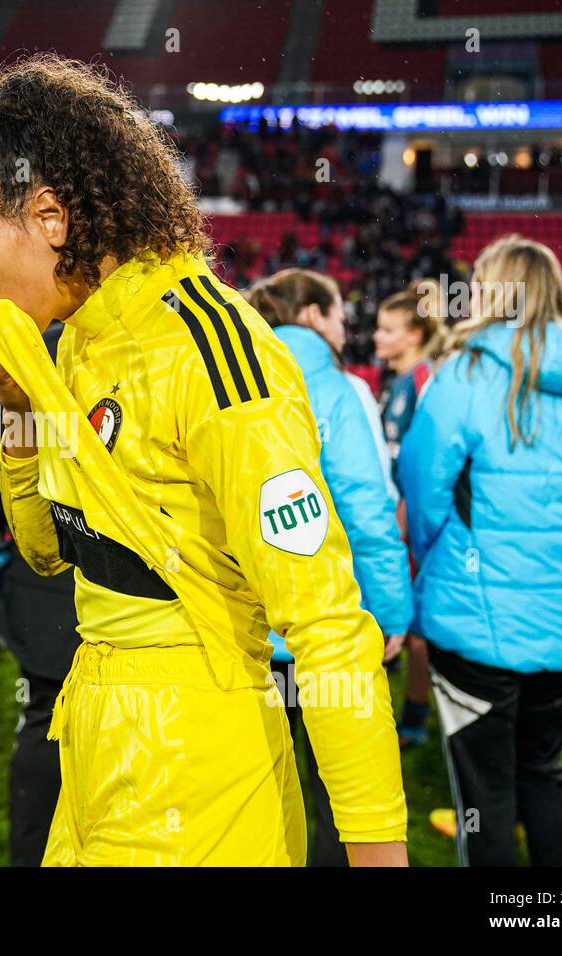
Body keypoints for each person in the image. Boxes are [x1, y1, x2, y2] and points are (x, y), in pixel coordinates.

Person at [0, 54, 407, 866]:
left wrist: (376, 853)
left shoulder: (209, 350)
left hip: (203, 768)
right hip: (99, 743)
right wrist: (19, 413)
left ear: (49, 218)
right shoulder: (74, 341)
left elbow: (325, 624)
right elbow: (44, 551)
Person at [398, 234, 562, 866]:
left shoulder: (465, 372)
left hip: (477, 620)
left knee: (485, 795)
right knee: (544, 774)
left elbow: (422, 486)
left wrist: (441, 553)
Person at [245, 268, 413, 866]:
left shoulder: (223, 372)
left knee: (258, 790)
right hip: (320, 627)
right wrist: (392, 611)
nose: (347, 326)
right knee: (337, 788)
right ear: (313, 314)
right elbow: (367, 510)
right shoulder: (337, 390)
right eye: (340, 312)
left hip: (242, 628)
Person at [0, 321, 82, 866]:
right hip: (100, 576)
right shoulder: (115, 347)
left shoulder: (32, 349)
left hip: (45, 581)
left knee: (43, 719)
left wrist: (8, 523)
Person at [373, 281, 444, 748]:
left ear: (415, 335)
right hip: (397, 516)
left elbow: (422, 467)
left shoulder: (425, 382)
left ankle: (415, 719)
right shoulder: (401, 381)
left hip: (412, 522)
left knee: (418, 622)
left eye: (388, 329)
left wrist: (398, 526)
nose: (377, 338)